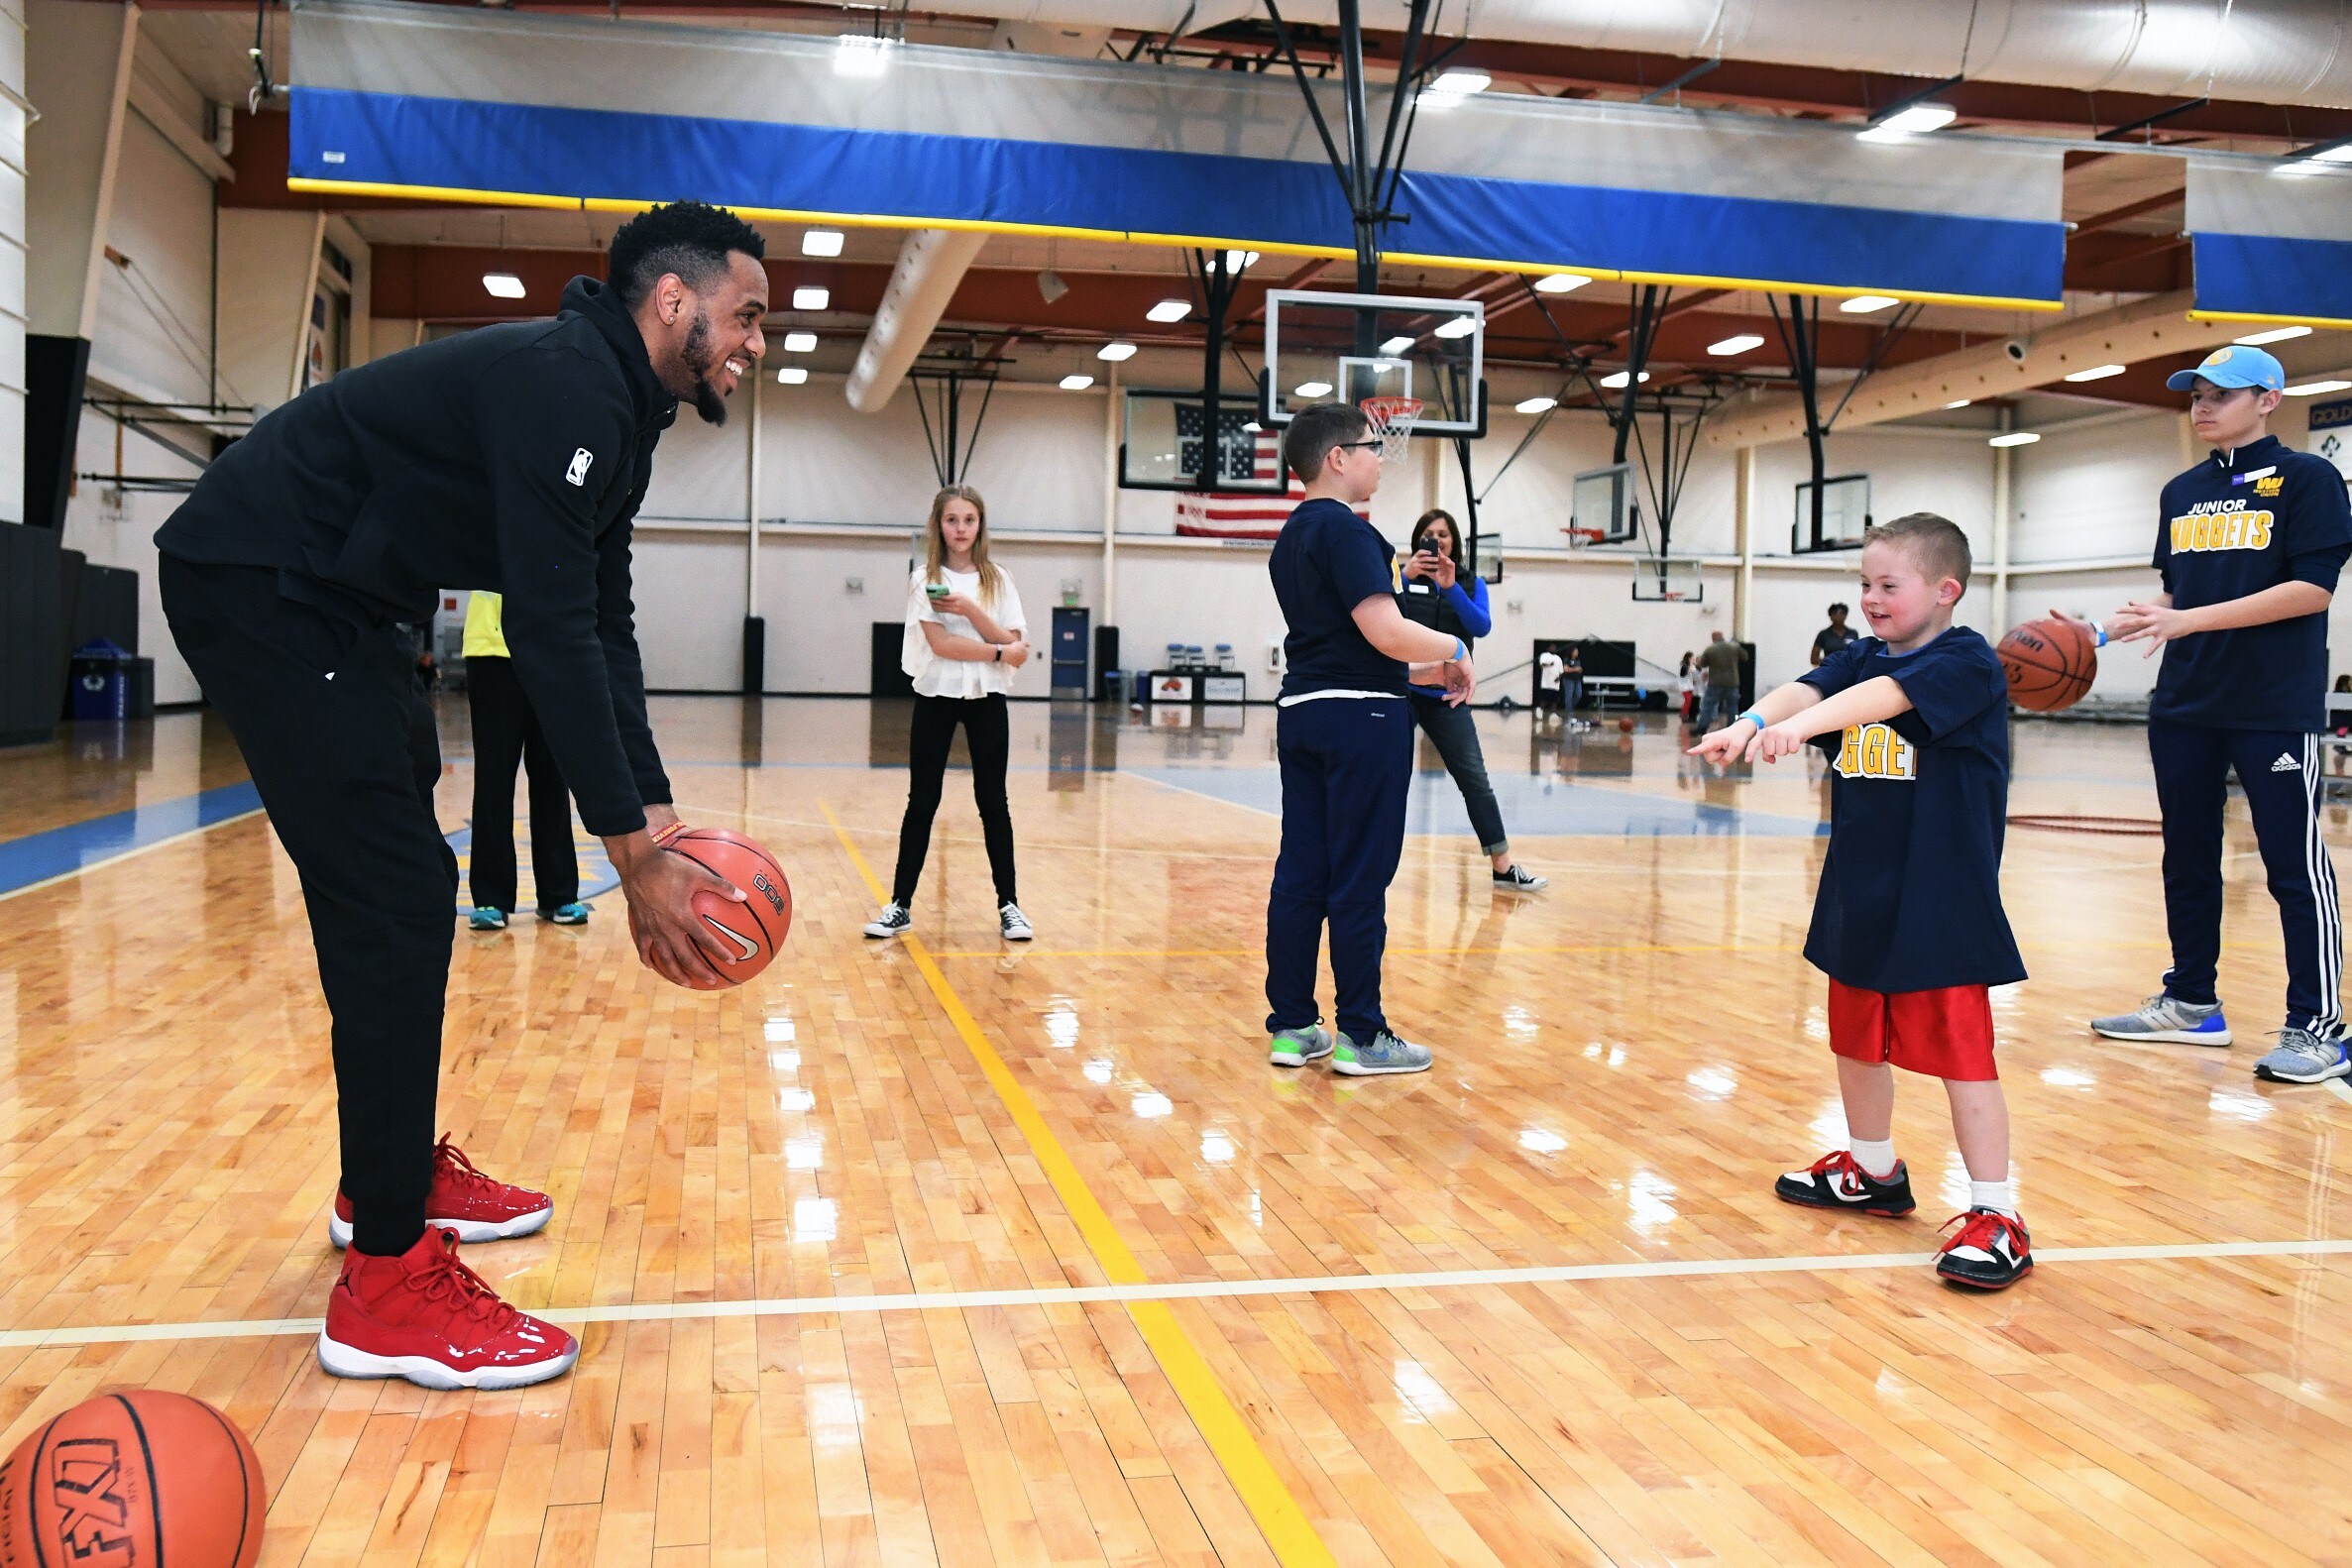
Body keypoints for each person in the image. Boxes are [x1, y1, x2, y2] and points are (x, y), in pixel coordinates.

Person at [155, 200, 770, 1390]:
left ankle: (380, 1174)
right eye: (747, 316)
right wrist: (632, 857)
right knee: (393, 895)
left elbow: (602, 619)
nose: (756, 343)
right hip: (264, 580)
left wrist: (658, 812)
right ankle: (385, 1281)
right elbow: (545, 630)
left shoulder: (622, 414)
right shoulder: (569, 386)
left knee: (403, 889)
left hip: (341, 598)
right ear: (675, 301)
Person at [1692, 512, 2032, 1289]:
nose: (1871, 598)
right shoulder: (1862, 654)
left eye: (1888, 585)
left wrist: (1800, 728)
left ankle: (1997, 1210)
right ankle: (1875, 1172)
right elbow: (1807, 684)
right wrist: (1749, 723)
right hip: (1860, 883)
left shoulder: (1965, 661)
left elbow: (1877, 698)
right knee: (1852, 1039)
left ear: (1945, 592)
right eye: (1863, 584)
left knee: (1961, 1057)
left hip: (1940, 895)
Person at [2078, 343, 2352, 1083]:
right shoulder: (2181, 491)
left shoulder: (2309, 479)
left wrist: (2189, 621)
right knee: (2188, 858)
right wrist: (2100, 632)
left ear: (2266, 400)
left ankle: (2318, 1026)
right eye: (2195, 395)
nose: (2201, 407)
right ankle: (2191, 1001)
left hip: (2270, 705)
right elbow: (2178, 597)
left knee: (2293, 866)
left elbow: (2311, 591)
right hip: (2185, 702)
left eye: (2218, 395)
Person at [1263, 402, 1472, 1076]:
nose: (1379, 458)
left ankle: (1294, 1025)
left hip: (1304, 710)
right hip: (1364, 722)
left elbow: (1350, 648)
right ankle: (1361, 1033)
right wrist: (1454, 646)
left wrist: (1424, 663)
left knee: (1302, 872)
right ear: (1336, 459)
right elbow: (1384, 633)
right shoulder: (1350, 534)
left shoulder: (1290, 536)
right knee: (1358, 876)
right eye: (1371, 448)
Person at [863, 485, 1035, 944]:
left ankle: (1010, 906)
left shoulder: (1000, 578)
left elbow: (1018, 646)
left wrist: (969, 609)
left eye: (969, 520)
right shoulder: (925, 579)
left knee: (993, 803)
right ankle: (899, 905)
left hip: (987, 702)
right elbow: (943, 645)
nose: (960, 528)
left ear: (980, 525)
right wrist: (999, 651)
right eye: (952, 520)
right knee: (921, 802)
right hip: (936, 698)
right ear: (938, 525)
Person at [1397, 509, 1545, 891]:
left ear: (1454, 541)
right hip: (1403, 692)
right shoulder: (1399, 576)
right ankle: (1361, 862)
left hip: (1448, 696)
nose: (1437, 540)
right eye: (1429, 534)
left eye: (1443, 534)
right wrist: (1407, 576)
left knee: (1475, 780)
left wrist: (1450, 587)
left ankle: (1502, 866)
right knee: (1384, 778)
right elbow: (1384, 621)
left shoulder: (1469, 581)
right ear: (1417, 540)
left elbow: (1481, 625)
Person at [461, 590, 589, 931]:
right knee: (493, 778)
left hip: (552, 649)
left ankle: (558, 893)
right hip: (491, 650)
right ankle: (490, 897)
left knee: (552, 774)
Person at [1694, 631, 1744, 733]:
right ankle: (1734, 728)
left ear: (1713, 638)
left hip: (1715, 683)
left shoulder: (1710, 649)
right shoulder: (1734, 647)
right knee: (1733, 707)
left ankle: (1701, 728)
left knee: (1708, 706)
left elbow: (1703, 663)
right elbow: (1745, 656)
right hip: (1732, 682)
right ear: (1722, 637)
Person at [1811, 602, 1859, 666]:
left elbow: (1858, 655)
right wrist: (1829, 662)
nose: (1838, 616)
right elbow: (1814, 659)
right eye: (1835, 614)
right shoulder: (1823, 634)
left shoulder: (1853, 633)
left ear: (1845, 615)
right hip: (1829, 671)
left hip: (1849, 671)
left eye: (1841, 614)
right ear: (1830, 616)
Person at [1536, 647, 1564, 723]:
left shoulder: (1558, 658)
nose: (1554, 648)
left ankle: (1553, 714)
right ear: (1548, 648)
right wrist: (1549, 664)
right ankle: (1540, 710)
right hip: (1546, 683)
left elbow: (1561, 670)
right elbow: (1542, 664)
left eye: (1555, 647)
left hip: (1555, 684)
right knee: (1545, 699)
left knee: (1555, 700)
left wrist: (1559, 677)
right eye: (1552, 647)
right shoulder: (1544, 655)